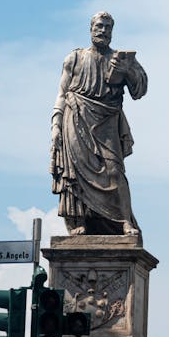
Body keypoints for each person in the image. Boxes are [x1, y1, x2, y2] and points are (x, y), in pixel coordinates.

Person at [51, 12, 147, 236]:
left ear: (112, 31)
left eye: (107, 27)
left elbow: (139, 90)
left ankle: (125, 221)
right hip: (75, 117)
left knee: (115, 170)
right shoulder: (74, 58)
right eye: (99, 26)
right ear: (91, 28)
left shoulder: (122, 59)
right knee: (75, 170)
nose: (103, 31)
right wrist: (55, 124)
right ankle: (79, 220)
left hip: (107, 120)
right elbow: (62, 93)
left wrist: (127, 71)